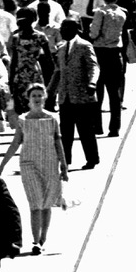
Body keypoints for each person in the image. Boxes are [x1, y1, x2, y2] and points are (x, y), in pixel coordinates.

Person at [0, 84, 69, 254]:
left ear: (44, 98)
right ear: (28, 100)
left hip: (50, 164)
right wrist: (1, 166)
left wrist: (64, 166)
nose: (36, 98)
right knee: (35, 203)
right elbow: (15, 144)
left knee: (47, 203)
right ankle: (35, 241)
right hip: (29, 164)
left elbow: (58, 142)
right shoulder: (23, 121)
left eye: (39, 95)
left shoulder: (52, 119)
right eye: (33, 96)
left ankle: (43, 237)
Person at [49, 18, 101, 170]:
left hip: (82, 96)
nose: (62, 32)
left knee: (85, 130)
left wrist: (92, 83)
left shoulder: (84, 45)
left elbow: (93, 67)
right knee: (65, 132)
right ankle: (66, 161)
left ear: (74, 29)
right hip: (65, 97)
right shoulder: (61, 48)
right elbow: (58, 71)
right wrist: (49, 92)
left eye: (65, 29)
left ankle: (92, 159)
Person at [89, 0, 127, 138]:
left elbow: (94, 33)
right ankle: (115, 127)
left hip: (100, 52)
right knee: (114, 93)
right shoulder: (122, 13)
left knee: (98, 91)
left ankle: (97, 125)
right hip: (115, 52)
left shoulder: (100, 13)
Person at [6, 8, 53, 124]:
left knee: (36, 103)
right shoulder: (16, 38)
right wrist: (10, 80)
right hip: (20, 76)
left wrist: (51, 80)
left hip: (34, 75)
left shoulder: (40, 37)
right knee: (21, 107)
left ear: (32, 19)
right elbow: (14, 60)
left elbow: (49, 60)